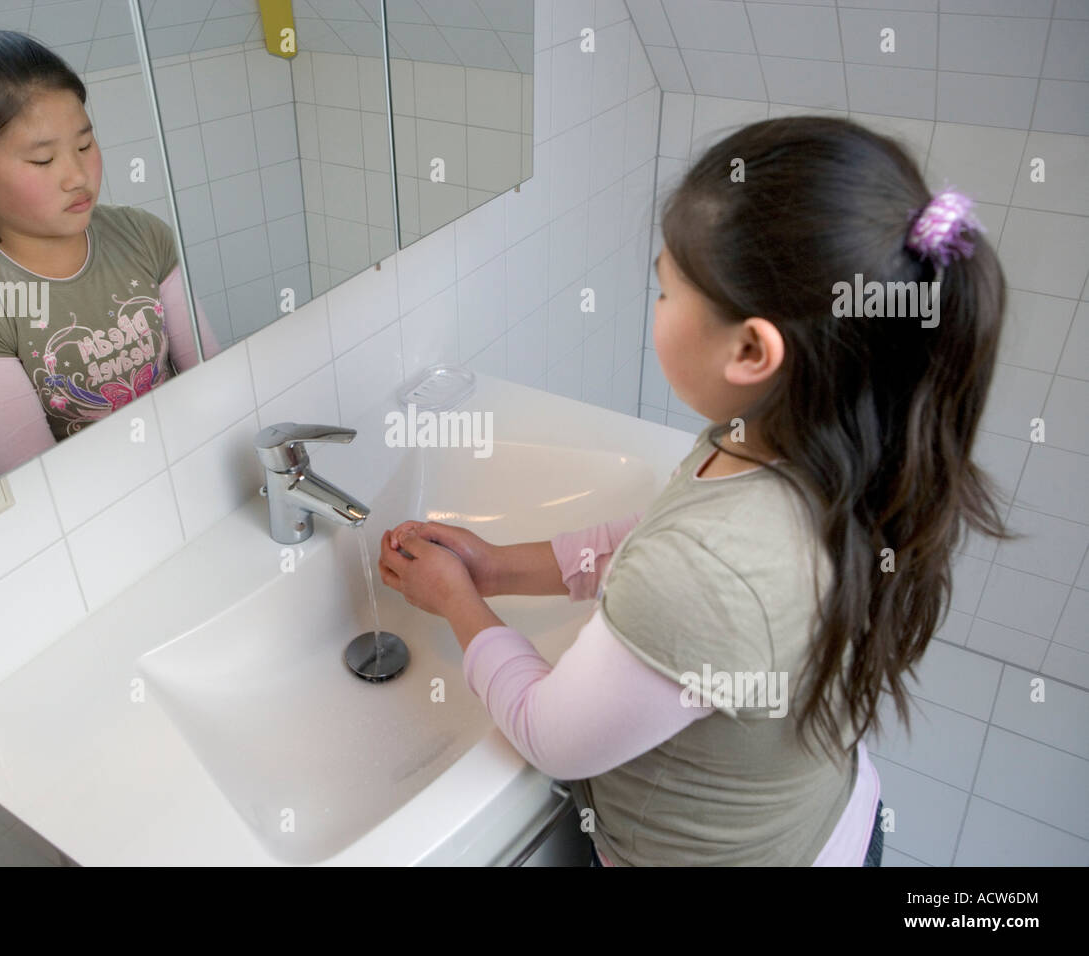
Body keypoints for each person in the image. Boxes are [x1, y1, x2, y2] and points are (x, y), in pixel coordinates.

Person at [378, 116, 1012, 866]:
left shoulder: (715, 568)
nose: (655, 307)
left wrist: (457, 600)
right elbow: (653, 533)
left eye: (664, 291)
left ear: (750, 349)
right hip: (828, 820)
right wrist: (499, 566)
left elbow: (553, 736)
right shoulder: (822, 445)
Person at [0, 30, 221, 479]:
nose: (78, 176)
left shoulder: (140, 234)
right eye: (42, 160)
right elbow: (44, 487)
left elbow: (209, 381)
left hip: (196, 469)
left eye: (83, 145)